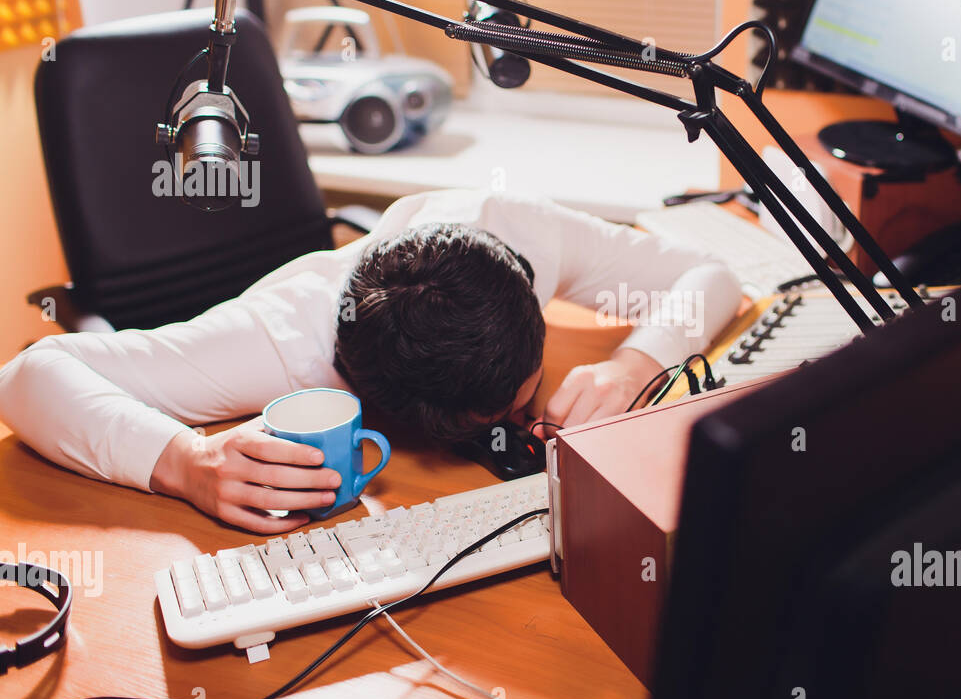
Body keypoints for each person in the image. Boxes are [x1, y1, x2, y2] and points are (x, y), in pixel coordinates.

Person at [0, 189, 741, 532]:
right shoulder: (277, 345)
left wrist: (634, 361)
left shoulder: (513, 229)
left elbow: (714, 273)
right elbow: (29, 375)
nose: (527, 421)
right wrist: (184, 461)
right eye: (506, 417)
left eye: (530, 389)